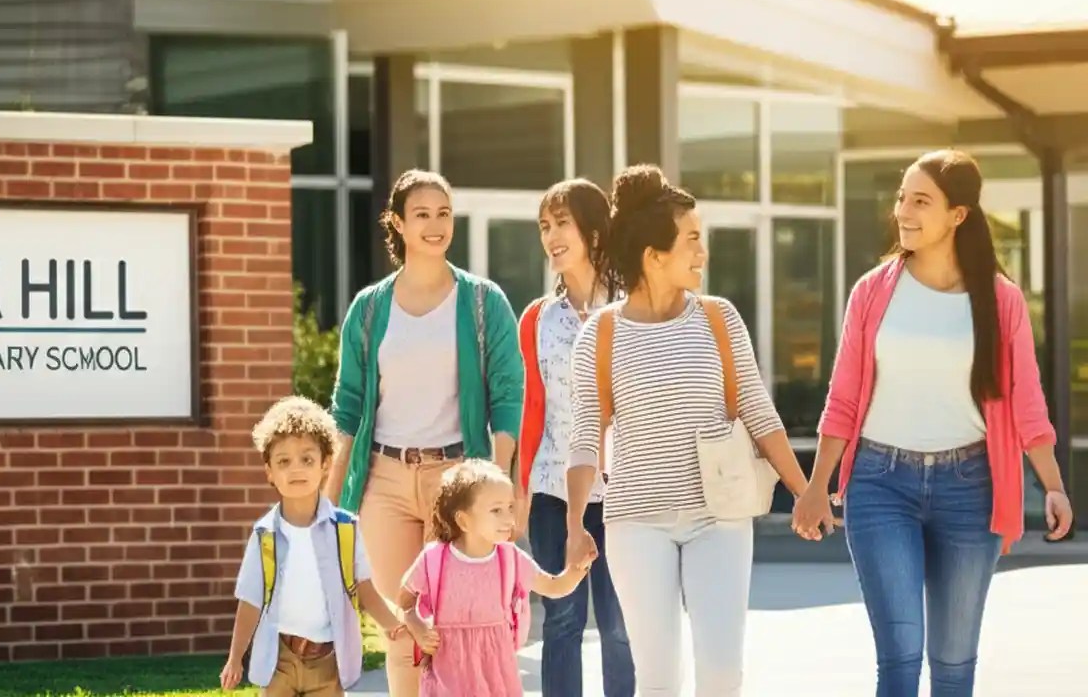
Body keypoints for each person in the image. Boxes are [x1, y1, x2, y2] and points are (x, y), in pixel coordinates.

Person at [793, 149, 1075, 696]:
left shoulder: (1000, 300)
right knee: (899, 659)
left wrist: (1054, 483)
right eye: (901, 197)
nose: (903, 210)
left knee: (952, 663)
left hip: (970, 488)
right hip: (879, 482)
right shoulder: (873, 291)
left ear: (958, 215)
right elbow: (844, 395)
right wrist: (816, 484)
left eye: (921, 200)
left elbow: (1025, 401)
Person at [565, 164, 813, 696]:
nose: (702, 253)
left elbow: (759, 413)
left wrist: (805, 491)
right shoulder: (600, 336)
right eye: (693, 240)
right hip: (636, 522)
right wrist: (573, 523)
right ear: (654, 256)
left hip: (718, 518)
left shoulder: (719, 318)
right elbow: (585, 437)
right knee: (657, 678)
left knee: (722, 672)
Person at [326, 168, 525, 696]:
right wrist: (329, 498)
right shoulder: (369, 310)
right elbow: (346, 408)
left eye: (443, 213)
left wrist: (497, 481)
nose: (435, 225)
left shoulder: (483, 302)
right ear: (398, 223)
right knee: (401, 627)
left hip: (456, 481)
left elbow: (508, 395)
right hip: (384, 481)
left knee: (452, 626)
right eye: (422, 214)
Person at [516, 177, 634, 697]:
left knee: (620, 627)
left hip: (627, 493)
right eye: (545, 226)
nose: (552, 236)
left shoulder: (637, 306)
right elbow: (533, 409)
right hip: (553, 489)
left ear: (592, 229)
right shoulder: (538, 318)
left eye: (562, 223)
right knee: (561, 624)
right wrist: (520, 489)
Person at [220, 396, 403, 696]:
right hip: (280, 660)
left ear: (325, 464)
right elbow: (250, 600)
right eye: (283, 462)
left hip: (328, 663)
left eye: (307, 459)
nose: (296, 470)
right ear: (269, 471)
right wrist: (235, 657)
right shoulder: (264, 534)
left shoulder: (344, 528)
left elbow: (363, 587)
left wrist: (392, 626)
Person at [397, 460, 593, 697]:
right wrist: (416, 626)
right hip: (450, 674)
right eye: (496, 510)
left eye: (510, 507)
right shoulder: (434, 559)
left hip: (497, 676)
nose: (509, 519)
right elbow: (405, 600)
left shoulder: (509, 558)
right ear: (464, 521)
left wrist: (576, 571)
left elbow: (552, 586)